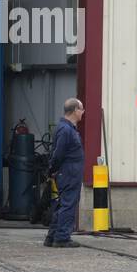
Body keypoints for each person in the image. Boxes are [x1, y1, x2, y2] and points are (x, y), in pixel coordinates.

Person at [46, 98, 85, 248]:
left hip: (69, 172)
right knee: (68, 204)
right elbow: (58, 154)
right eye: (81, 109)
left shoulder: (67, 128)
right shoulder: (66, 130)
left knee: (62, 204)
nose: (83, 112)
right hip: (69, 173)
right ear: (75, 110)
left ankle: (52, 237)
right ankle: (62, 238)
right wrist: (52, 169)